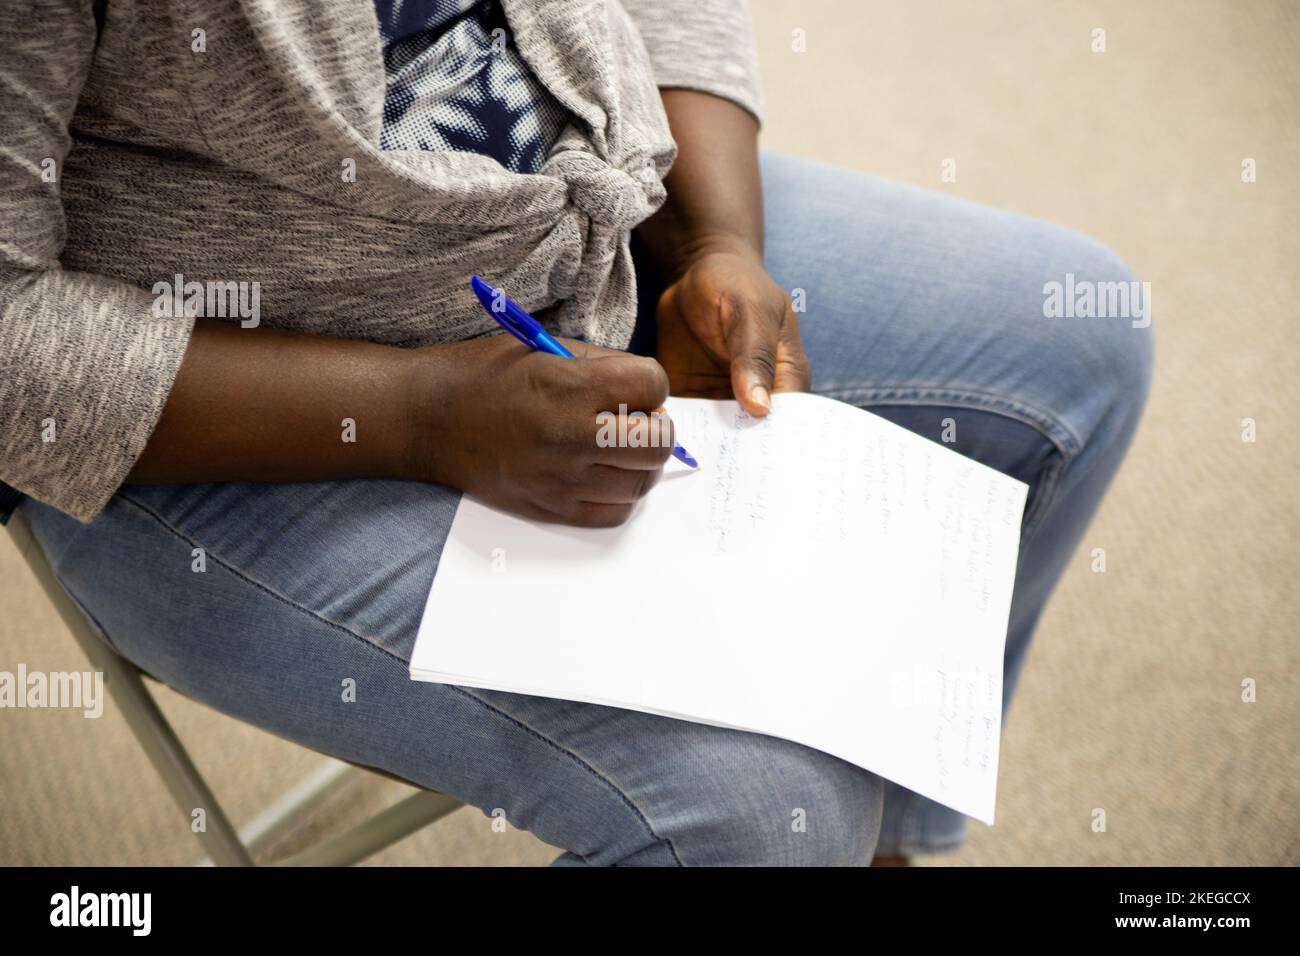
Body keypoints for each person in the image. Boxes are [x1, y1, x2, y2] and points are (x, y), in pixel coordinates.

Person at [0, 0, 1152, 865]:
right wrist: (424, 413)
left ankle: (889, 839)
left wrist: (713, 244)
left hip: (594, 226)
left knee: (1078, 343)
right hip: (218, 406)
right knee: (762, 804)